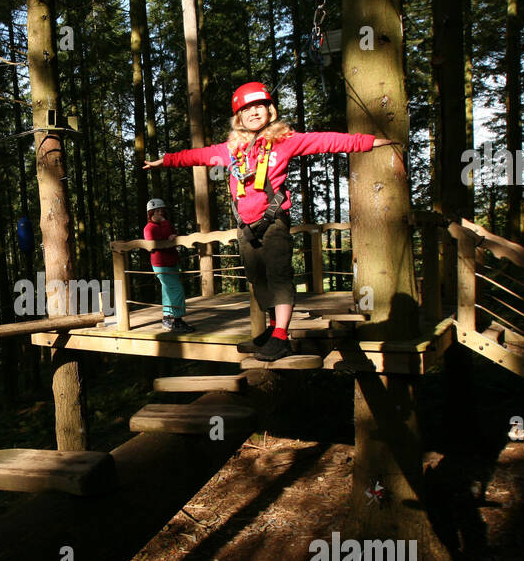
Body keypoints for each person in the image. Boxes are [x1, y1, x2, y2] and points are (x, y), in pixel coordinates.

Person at [144, 82, 396, 361]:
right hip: (246, 226)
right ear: (238, 117)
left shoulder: (285, 140)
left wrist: (369, 142)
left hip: (273, 222)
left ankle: (281, 337)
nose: (253, 113)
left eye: (259, 107)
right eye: (247, 109)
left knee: (278, 277)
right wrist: (164, 161)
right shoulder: (231, 149)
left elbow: (327, 141)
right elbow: (196, 156)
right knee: (258, 279)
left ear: (270, 111)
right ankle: (274, 330)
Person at [144, 198, 195, 333]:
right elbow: (156, 242)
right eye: (156, 211)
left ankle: (167, 319)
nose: (160, 214)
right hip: (161, 264)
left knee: (167, 290)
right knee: (177, 289)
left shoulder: (166, 224)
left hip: (172, 261)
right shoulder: (149, 228)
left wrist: (168, 229)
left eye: (161, 211)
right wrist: (165, 227)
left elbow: (173, 234)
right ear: (150, 214)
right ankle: (178, 321)